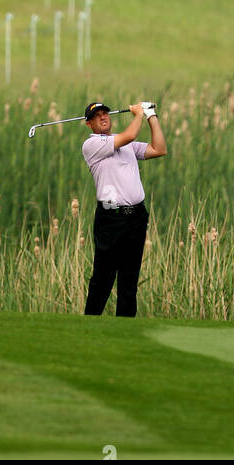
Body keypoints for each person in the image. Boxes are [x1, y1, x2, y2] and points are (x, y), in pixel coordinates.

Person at [82, 100, 167, 318]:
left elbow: (159, 149)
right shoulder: (91, 145)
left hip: (136, 218)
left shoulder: (126, 145)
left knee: (129, 280)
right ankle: (89, 324)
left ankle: (125, 328)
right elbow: (129, 135)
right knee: (103, 278)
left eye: (105, 113)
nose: (103, 117)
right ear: (89, 124)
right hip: (111, 218)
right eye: (96, 116)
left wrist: (150, 115)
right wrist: (138, 114)